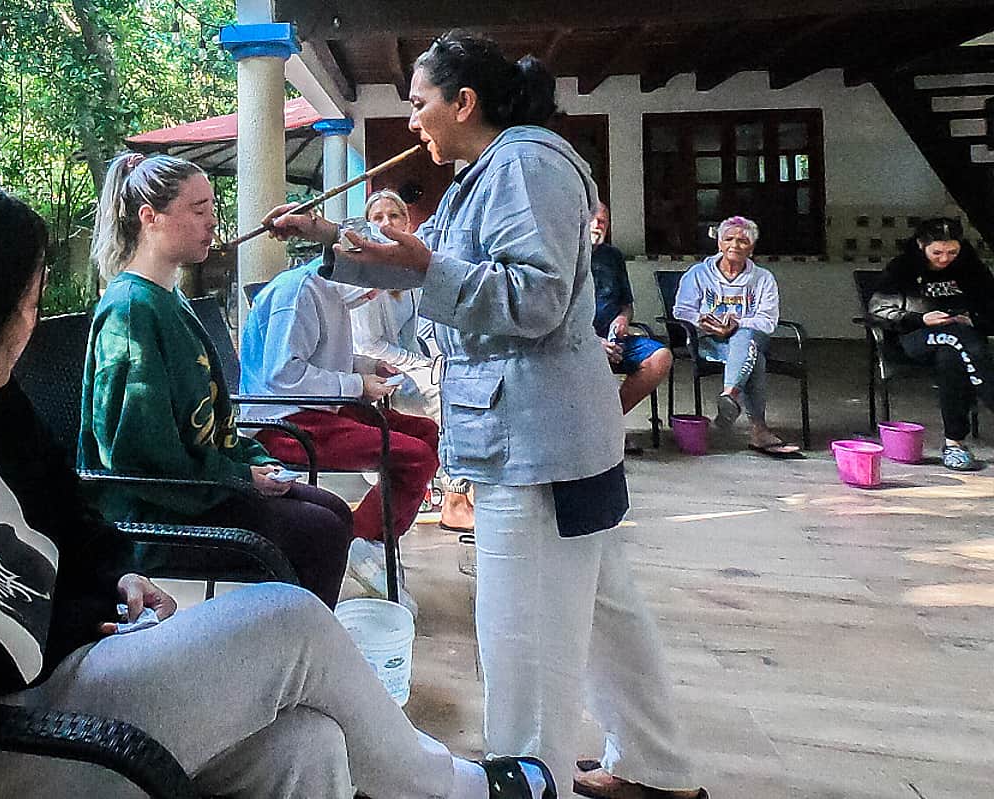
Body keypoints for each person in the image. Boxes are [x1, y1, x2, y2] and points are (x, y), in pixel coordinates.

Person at [0, 172, 559, 799]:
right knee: (290, 618)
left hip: (73, 664)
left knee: (309, 742)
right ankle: (460, 789)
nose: (35, 317)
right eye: (29, 299)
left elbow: (65, 507)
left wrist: (113, 575)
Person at [263, 29, 704, 799]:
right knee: (607, 610)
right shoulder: (488, 171)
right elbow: (414, 258)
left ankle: (528, 783)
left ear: (463, 102)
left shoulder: (526, 165)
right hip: (558, 434)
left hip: (536, 443)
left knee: (522, 637)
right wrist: (328, 233)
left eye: (419, 103)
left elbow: (534, 299)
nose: (412, 121)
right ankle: (654, 766)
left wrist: (429, 265)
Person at [78, 153, 352, 608]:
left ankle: (297, 633)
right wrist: (240, 477)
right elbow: (138, 459)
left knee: (336, 512)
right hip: (157, 512)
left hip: (199, 487)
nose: (212, 222)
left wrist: (255, 462)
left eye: (212, 209)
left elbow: (211, 423)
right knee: (319, 532)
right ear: (150, 217)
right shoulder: (130, 312)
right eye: (198, 210)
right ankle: (297, 641)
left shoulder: (171, 299)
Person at [239, 237, 440, 615]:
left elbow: (321, 357)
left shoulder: (332, 293)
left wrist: (367, 367)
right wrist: (357, 385)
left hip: (318, 409)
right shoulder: (299, 294)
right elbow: (283, 376)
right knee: (413, 456)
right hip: (281, 422)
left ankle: (372, 539)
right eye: (374, 283)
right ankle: (360, 540)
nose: (375, 294)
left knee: (426, 434)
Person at [351, 188, 475, 533]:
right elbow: (368, 344)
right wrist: (420, 365)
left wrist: (440, 358)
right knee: (442, 392)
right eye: (377, 218)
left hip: (408, 365)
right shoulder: (367, 277)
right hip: (376, 372)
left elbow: (427, 327)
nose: (386, 224)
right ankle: (454, 498)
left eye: (394, 216)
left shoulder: (410, 273)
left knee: (461, 379)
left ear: (408, 224)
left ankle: (467, 482)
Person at [869, 217, 994, 470]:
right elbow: (878, 310)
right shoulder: (902, 268)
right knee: (956, 340)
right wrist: (921, 319)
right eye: (937, 252)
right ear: (921, 245)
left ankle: (954, 444)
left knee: (952, 355)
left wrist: (973, 319)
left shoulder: (972, 269)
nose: (945, 258)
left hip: (962, 340)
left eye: (952, 252)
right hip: (915, 337)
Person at [673, 215, 800, 458]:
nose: (734, 245)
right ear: (719, 244)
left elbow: (768, 321)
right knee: (756, 360)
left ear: (751, 248)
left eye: (742, 241)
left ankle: (730, 395)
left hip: (750, 339)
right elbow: (681, 311)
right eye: (728, 239)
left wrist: (736, 325)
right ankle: (758, 430)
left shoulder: (763, 278)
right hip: (710, 342)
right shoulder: (698, 274)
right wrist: (706, 322)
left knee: (745, 336)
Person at [589, 201, 673, 451]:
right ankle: (597, 431)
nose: (597, 226)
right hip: (575, 342)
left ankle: (607, 425)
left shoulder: (613, 256)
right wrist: (592, 342)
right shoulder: (563, 254)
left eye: (603, 222)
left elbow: (626, 304)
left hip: (615, 339)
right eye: (592, 220)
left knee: (660, 357)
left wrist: (623, 318)